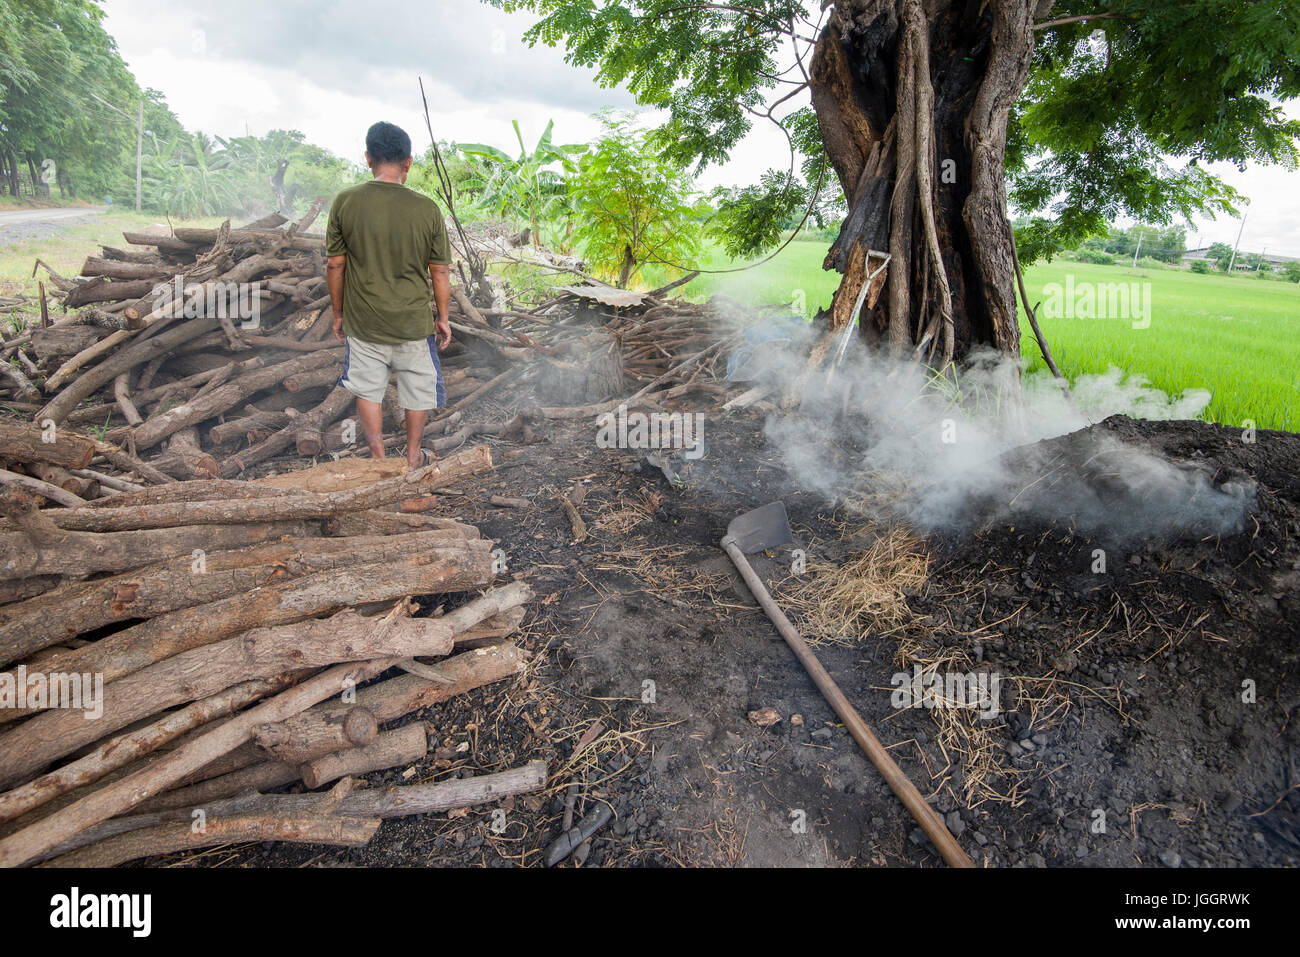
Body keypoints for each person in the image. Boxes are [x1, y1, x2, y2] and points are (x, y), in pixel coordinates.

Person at [325, 120, 452, 469]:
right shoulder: (427, 209)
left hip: (364, 322)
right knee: (416, 389)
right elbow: (439, 271)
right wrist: (442, 318)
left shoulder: (345, 202)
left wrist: (338, 314)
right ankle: (411, 460)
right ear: (408, 162)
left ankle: (380, 464)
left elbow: (335, 265)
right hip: (413, 322)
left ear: (368, 158)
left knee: (368, 391)